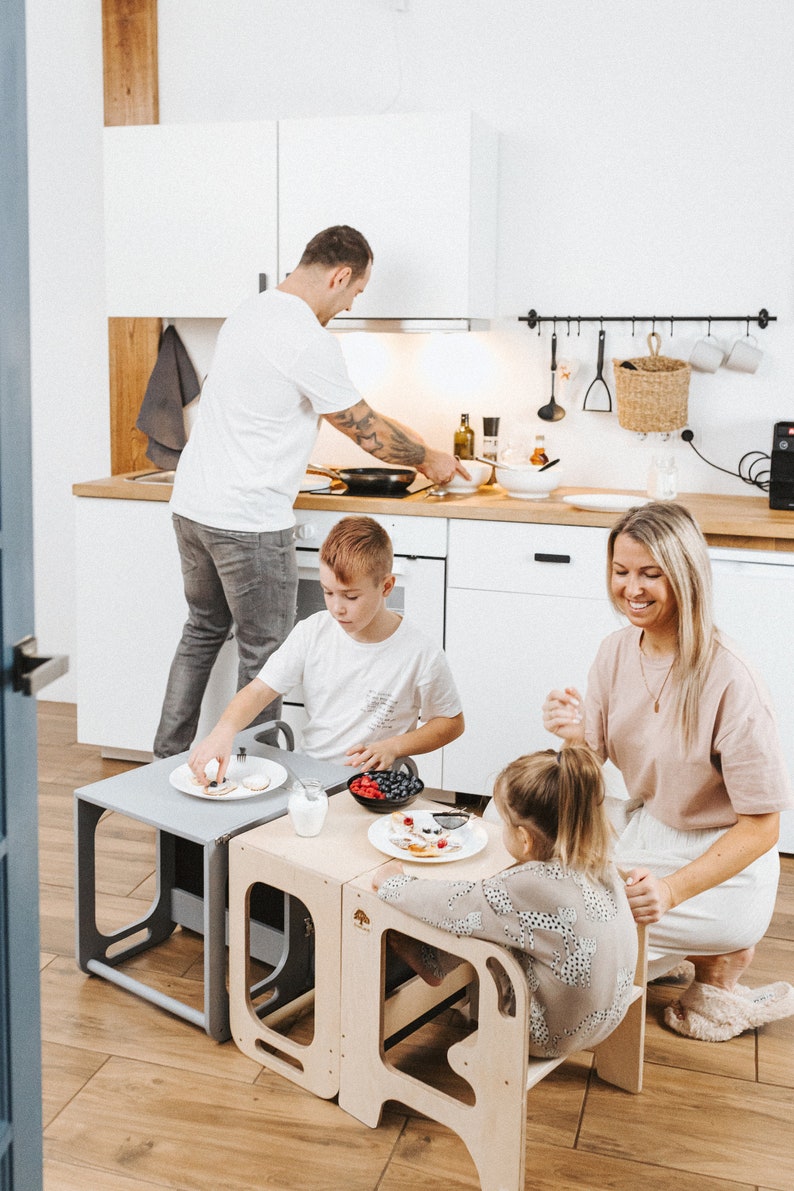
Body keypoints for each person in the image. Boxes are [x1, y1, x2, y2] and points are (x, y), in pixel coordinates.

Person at [154, 225, 467, 759]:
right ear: (341, 275)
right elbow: (364, 429)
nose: (347, 306)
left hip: (192, 507)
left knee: (202, 630)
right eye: (354, 293)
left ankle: (167, 760)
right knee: (266, 655)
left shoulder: (249, 312)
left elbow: (337, 410)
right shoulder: (305, 336)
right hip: (246, 519)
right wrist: (431, 458)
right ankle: (255, 776)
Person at [543, 500, 794, 1042]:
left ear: (684, 575)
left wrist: (674, 892)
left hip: (724, 859)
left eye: (650, 574)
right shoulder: (615, 651)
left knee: (571, 925)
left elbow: (763, 827)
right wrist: (573, 734)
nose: (632, 588)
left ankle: (721, 948)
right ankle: (700, 951)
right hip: (650, 826)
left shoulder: (731, 680)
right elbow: (594, 759)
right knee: (526, 841)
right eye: (621, 571)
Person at [373, 746, 639, 1060]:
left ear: (525, 839)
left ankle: (431, 961)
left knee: (477, 911)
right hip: (608, 1016)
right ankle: (434, 962)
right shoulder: (599, 861)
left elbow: (454, 904)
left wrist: (393, 882)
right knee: (499, 914)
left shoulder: (532, 885)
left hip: (547, 1033)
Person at [188, 515, 464, 781]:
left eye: (351, 596)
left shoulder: (420, 653)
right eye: (328, 592)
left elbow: (451, 722)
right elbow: (260, 690)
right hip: (310, 776)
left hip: (373, 785)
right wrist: (223, 730)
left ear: (387, 586)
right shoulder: (313, 632)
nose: (336, 608)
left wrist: (395, 746)